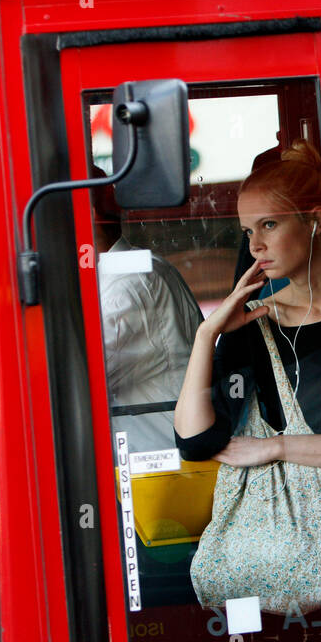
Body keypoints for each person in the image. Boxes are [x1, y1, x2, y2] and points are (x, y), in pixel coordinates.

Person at [174, 139, 321, 613]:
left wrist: (277, 447)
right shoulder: (253, 325)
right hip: (271, 593)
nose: (255, 245)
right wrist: (206, 336)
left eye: (269, 224)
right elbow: (197, 441)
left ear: (316, 220)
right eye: (248, 230)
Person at [92, 170, 204, 453]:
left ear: (87, 216)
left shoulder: (125, 285)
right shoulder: (136, 268)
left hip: (160, 466)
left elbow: (79, 379)